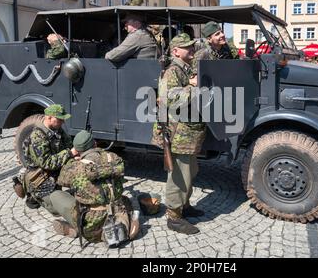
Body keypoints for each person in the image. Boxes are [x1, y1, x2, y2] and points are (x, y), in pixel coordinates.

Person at [152, 33, 206, 235]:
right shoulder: (172, 71)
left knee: (190, 171)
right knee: (179, 175)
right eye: (187, 47)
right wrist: (192, 87)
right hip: (177, 133)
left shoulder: (185, 68)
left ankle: (184, 205)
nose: (191, 49)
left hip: (188, 132)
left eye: (192, 45)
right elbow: (171, 101)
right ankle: (174, 216)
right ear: (175, 51)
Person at [56, 131, 139, 246]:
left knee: (56, 195)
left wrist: (72, 158)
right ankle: (124, 227)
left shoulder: (73, 167)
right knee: (123, 199)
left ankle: (75, 228)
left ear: (77, 149)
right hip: (117, 217)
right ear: (95, 144)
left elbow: (61, 181)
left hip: (92, 229)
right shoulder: (113, 157)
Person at [17, 104, 79, 218]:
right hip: (41, 174)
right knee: (56, 210)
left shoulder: (58, 130)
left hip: (54, 169)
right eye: (59, 119)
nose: (62, 122)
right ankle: (31, 192)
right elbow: (46, 163)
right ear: (49, 118)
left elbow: (68, 145)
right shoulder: (38, 136)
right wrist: (69, 153)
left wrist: (75, 156)